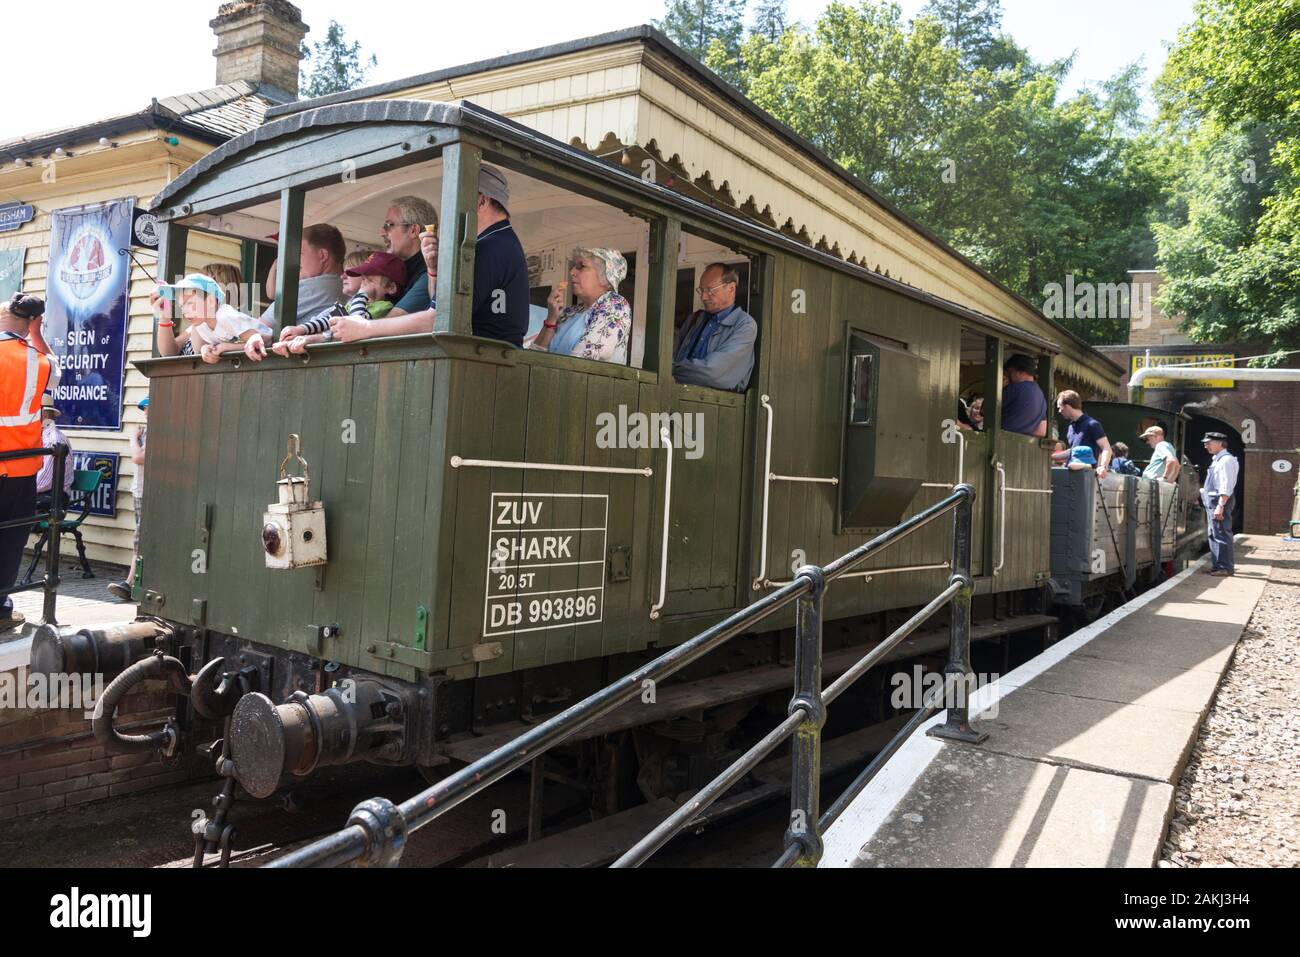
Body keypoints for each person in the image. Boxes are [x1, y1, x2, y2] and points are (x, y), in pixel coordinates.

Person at [329, 166, 529, 348]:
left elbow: (438, 319)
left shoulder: (489, 247)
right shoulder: (499, 242)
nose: (452, 206)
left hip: (483, 361)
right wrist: (433, 271)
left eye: (457, 197)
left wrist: (365, 328)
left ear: (481, 201)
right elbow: (440, 306)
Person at [0, 293, 59, 633]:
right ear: (32, 323)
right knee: (9, 540)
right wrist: (36, 334)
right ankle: (0, 606)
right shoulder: (40, 361)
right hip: (21, 468)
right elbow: (56, 372)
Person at [253, 251, 407, 358]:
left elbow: (356, 323)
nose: (365, 280)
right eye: (364, 276)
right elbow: (328, 319)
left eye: (371, 278)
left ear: (391, 287)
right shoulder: (355, 302)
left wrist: (362, 294)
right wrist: (301, 329)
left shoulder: (384, 307)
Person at [531, 247, 631, 363]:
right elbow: (533, 356)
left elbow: (584, 359)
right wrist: (551, 319)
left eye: (581, 266)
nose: (572, 272)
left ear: (604, 275)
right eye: (573, 266)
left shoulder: (615, 304)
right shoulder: (570, 312)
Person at [672, 263, 758, 392]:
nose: (703, 297)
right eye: (701, 290)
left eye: (710, 290)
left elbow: (714, 373)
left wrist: (673, 369)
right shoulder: (693, 319)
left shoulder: (745, 325)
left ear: (731, 289)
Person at [152, 274, 270, 362]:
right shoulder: (201, 324)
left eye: (189, 303)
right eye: (181, 306)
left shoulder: (226, 316)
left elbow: (264, 341)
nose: (183, 311)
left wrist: (225, 347)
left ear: (211, 301)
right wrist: (205, 349)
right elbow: (198, 351)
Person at [258, 224, 346, 330]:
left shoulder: (311, 287)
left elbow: (260, 326)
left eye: (300, 253)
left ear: (322, 255)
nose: (294, 260)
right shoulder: (347, 286)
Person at [108, 396, 148, 601]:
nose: (146, 412)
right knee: (140, 537)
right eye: (145, 408)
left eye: (149, 408)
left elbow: (138, 458)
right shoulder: (147, 432)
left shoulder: (156, 432)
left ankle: (130, 583)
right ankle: (136, 582)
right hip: (140, 490)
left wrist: (133, 439)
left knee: (140, 538)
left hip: (149, 491)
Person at [376, 196, 439, 316]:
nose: (382, 233)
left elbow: (391, 321)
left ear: (413, 231)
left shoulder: (430, 272)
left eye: (389, 225)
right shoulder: (393, 269)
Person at [1201, 432, 1239, 576]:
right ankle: (1218, 565)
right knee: (1214, 533)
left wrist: (1220, 505)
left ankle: (1225, 567)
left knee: (1221, 533)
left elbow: (1226, 485)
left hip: (1219, 500)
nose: (1206, 446)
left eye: (1209, 442)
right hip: (1214, 500)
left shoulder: (1225, 461)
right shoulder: (1218, 460)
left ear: (1220, 443)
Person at [1052, 390, 1113, 478]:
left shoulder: (1092, 424)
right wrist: (1052, 457)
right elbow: (1074, 451)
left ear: (1068, 406)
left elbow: (1106, 448)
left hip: (1086, 477)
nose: (1059, 411)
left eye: (1060, 407)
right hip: (1071, 475)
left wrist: (1102, 466)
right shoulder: (1071, 427)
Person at [34, 397, 73, 509]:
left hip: (53, 497)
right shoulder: (40, 436)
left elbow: (43, 483)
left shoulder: (53, 440)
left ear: (44, 415)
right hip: (43, 494)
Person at [1000, 354, 1048, 437]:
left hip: (1000, 439)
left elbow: (985, 410)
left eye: (1010, 372)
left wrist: (1001, 386)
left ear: (1020, 372)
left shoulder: (1014, 388)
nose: (1008, 376)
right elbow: (1041, 432)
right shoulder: (1041, 395)